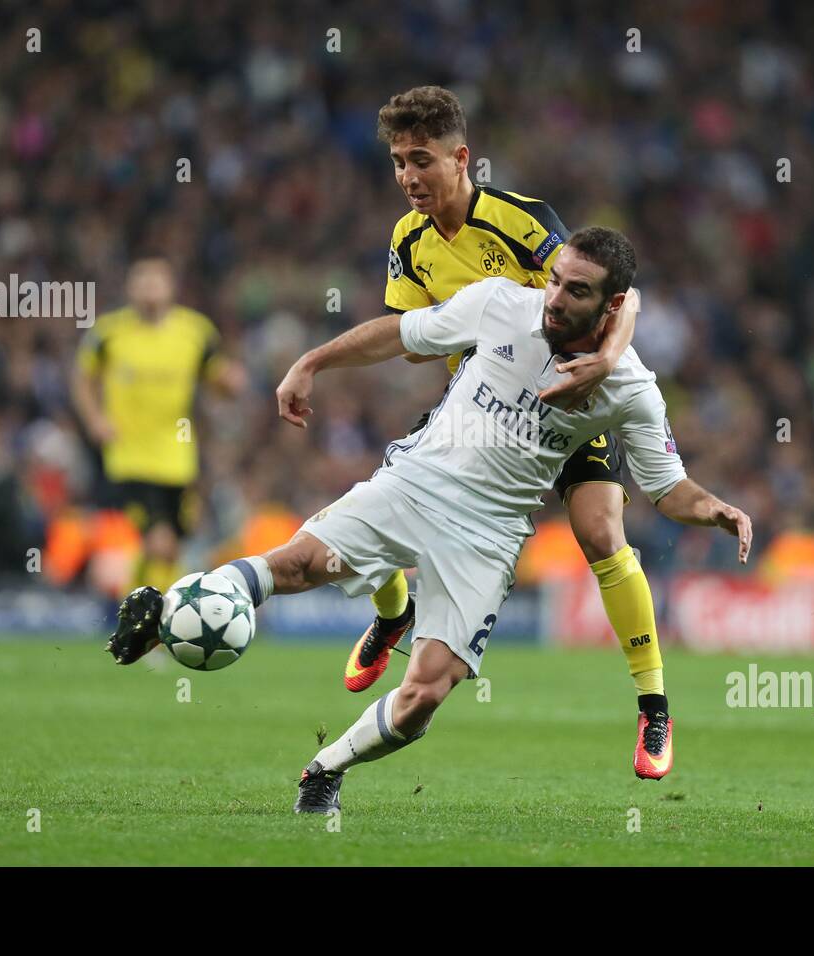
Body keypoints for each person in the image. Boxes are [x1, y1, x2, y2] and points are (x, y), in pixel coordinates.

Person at [106, 228, 753, 810]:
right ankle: (167, 611)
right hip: (414, 484)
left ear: (612, 308)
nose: (554, 299)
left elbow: (667, 488)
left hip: (487, 538)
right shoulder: (500, 303)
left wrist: (714, 509)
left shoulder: (631, 389)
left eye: (576, 291)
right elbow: (401, 334)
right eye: (555, 280)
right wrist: (313, 361)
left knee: (423, 697)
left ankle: (324, 769)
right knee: (300, 563)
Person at [353, 86, 673, 777]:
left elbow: (620, 294)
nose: (408, 177)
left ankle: (653, 705)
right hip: (480, 410)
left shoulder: (522, 221)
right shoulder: (407, 240)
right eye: (399, 163)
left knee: (600, 534)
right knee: (379, 501)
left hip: (565, 398)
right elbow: (409, 337)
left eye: (421, 160)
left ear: (460, 158)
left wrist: (605, 362)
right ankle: (394, 612)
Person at [71, 258, 245, 598]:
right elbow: (82, 378)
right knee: (158, 541)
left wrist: (230, 383)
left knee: (171, 548)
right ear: (130, 287)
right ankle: (156, 612)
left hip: (178, 457)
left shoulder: (195, 331)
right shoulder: (109, 332)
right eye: (142, 279)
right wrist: (95, 419)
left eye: (157, 279)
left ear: (171, 287)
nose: (150, 287)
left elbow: (216, 377)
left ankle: (138, 607)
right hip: (131, 457)